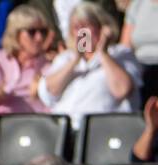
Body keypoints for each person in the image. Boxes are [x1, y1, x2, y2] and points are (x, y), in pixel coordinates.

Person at [37, 1, 141, 131]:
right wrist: (75, 59)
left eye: (85, 26)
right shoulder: (64, 59)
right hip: (65, 129)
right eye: (76, 27)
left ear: (101, 27)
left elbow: (122, 90)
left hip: (101, 131)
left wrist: (102, 53)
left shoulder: (120, 54)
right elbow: (50, 91)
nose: (81, 32)